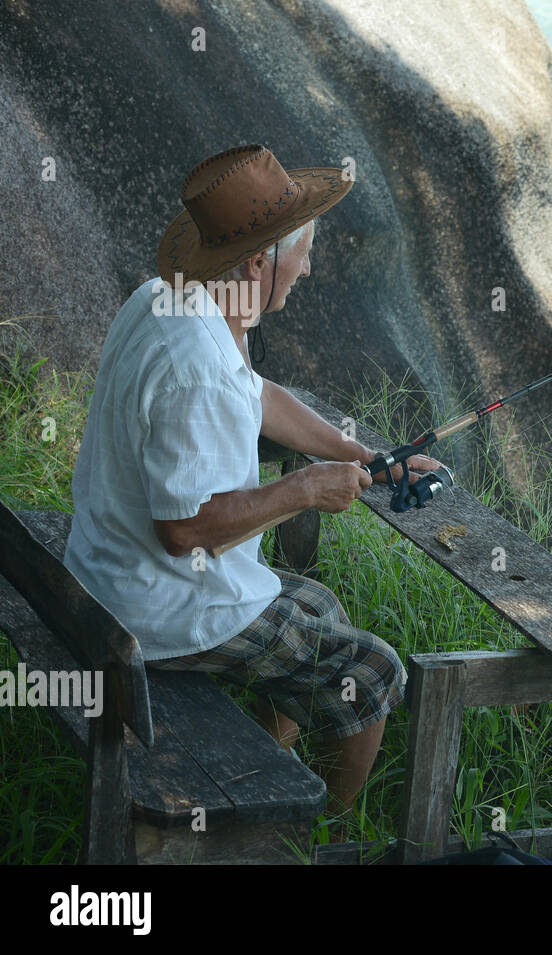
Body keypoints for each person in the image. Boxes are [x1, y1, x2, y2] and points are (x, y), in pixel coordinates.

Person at [63, 144, 441, 830]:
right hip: (152, 609)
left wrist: (368, 455)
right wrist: (304, 491)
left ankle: (263, 781)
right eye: (302, 253)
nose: (309, 267)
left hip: (101, 572)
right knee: (377, 672)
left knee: (318, 604)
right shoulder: (196, 366)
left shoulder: (174, 301)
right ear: (257, 262)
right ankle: (319, 835)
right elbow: (183, 532)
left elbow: (258, 392)